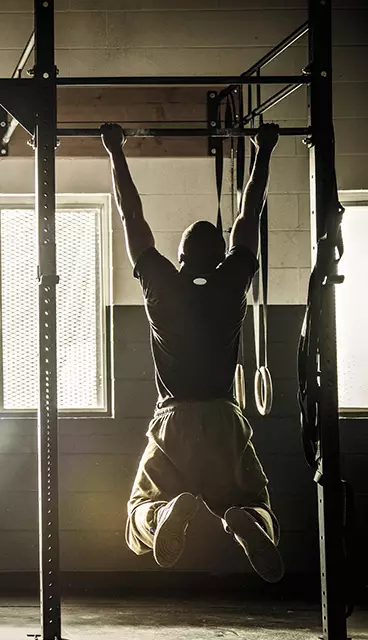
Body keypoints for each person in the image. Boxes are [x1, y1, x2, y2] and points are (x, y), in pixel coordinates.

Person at [101, 121, 284, 582]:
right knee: (255, 502)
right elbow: (249, 215)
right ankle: (247, 521)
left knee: (138, 510)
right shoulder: (231, 282)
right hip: (225, 419)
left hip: (174, 421)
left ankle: (161, 517)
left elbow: (131, 216)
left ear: (179, 259)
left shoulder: (162, 285)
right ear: (221, 256)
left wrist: (115, 152)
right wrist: (263, 151)